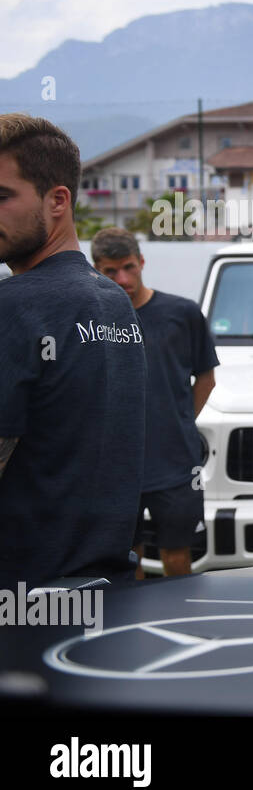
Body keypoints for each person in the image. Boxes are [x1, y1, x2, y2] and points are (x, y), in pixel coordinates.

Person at [0, 114, 145, 586]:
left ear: (57, 199)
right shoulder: (114, 302)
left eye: (2, 197)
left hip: (24, 595)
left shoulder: (15, 305)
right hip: (104, 590)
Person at [91, 228, 219, 578]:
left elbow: (206, 379)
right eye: (111, 271)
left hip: (175, 463)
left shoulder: (182, 313)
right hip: (115, 467)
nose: (123, 278)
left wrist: (179, 420)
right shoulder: (91, 319)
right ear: (96, 269)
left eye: (129, 267)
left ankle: (180, 623)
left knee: (177, 558)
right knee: (126, 560)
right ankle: (132, 632)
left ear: (142, 261)